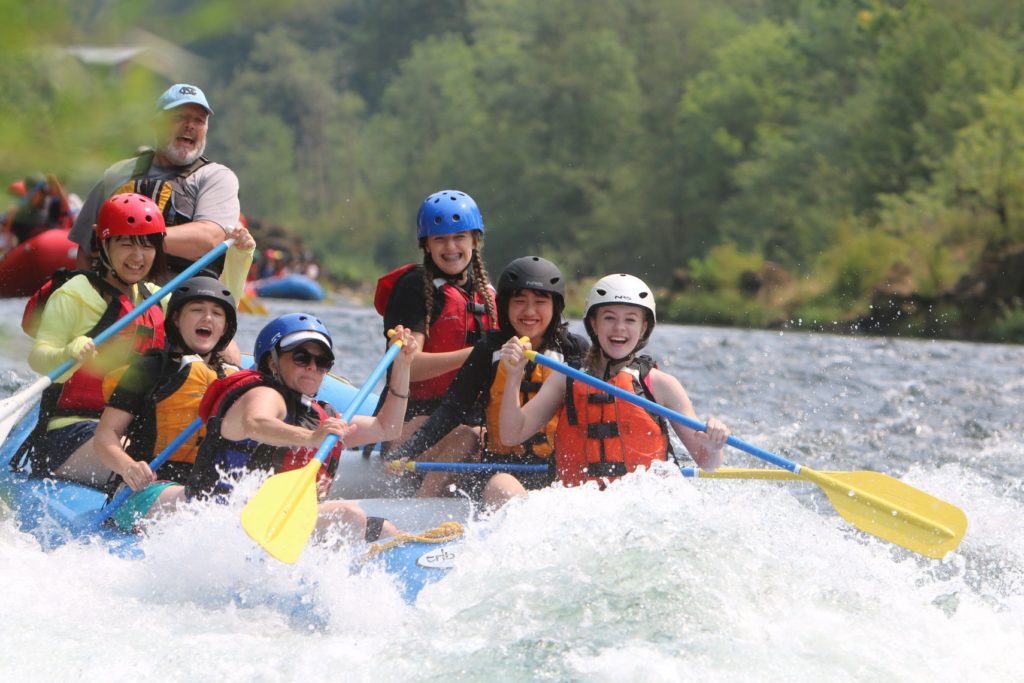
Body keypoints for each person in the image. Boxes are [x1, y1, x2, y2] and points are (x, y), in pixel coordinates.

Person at [14, 192, 254, 487]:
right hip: (72, 432)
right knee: (156, 463)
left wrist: (241, 258)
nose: (138, 257)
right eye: (126, 244)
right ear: (104, 244)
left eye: (146, 246)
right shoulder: (75, 293)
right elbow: (38, 358)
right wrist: (67, 353)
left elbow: (215, 311)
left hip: (134, 426)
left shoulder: (155, 297)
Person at [182, 313, 419, 542]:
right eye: (301, 357)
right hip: (226, 521)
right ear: (271, 362)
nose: (312, 367)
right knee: (350, 517)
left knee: (385, 530)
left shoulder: (319, 415)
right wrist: (312, 438)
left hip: (278, 525)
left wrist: (402, 365)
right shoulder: (263, 394)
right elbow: (255, 423)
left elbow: (387, 427)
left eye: (322, 361)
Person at [388, 256, 589, 508]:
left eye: (540, 302)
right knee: (469, 440)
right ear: (504, 306)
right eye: (519, 302)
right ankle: (420, 507)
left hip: (553, 472)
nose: (529, 312)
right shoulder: (489, 349)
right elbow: (453, 409)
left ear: (555, 307)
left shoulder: (574, 351)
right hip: (496, 470)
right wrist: (409, 449)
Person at [498, 273, 729, 487]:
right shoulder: (565, 378)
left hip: (641, 507)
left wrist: (714, 444)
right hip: (580, 506)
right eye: (609, 318)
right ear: (593, 324)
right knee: (500, 484)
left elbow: (708, 463)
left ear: (643, 327)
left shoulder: (661, 385)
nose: (619, 328)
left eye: (630, 320)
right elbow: (511, 435)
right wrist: (514, 374)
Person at [92, 276, 243, 530]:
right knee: (202, 501)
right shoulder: (149, 368)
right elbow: (106, 434)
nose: (207, 318)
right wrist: (127, 466)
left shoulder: (235, 381)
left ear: (225, 326)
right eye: (197, 310)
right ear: (175, 319)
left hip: (203, 489)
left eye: (217, 314)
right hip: (144, 491)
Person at [69, 83, 241, 283]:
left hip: (178, 303)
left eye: (199, 121)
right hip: (116, 297)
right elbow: (86, 249)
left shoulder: (216, 177)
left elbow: (208, 239)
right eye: (179, 118)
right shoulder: (117, 174)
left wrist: (134, 238)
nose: (190, 126)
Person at [374, 189, 497, 462]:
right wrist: (476, 355)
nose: (451, 248)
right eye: (440, 239)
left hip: (470, 419)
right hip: (412, 421)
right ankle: (422, 501)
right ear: (426, 245)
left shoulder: (486, 295)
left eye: (459, 237)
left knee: (475, 435)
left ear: (475, 241)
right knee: (468, 437)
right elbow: (407, 366)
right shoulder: (415, 287)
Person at [2, 172, 72, 247]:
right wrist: (10, 220)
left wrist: (57, 185)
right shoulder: (20, 212)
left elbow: (66, 210)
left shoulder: (53, 204)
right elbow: (7, 236)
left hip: (50, 246)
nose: (33, 195)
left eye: (38, 192)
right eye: (29, 191)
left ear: (43, 192)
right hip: (28, 250)